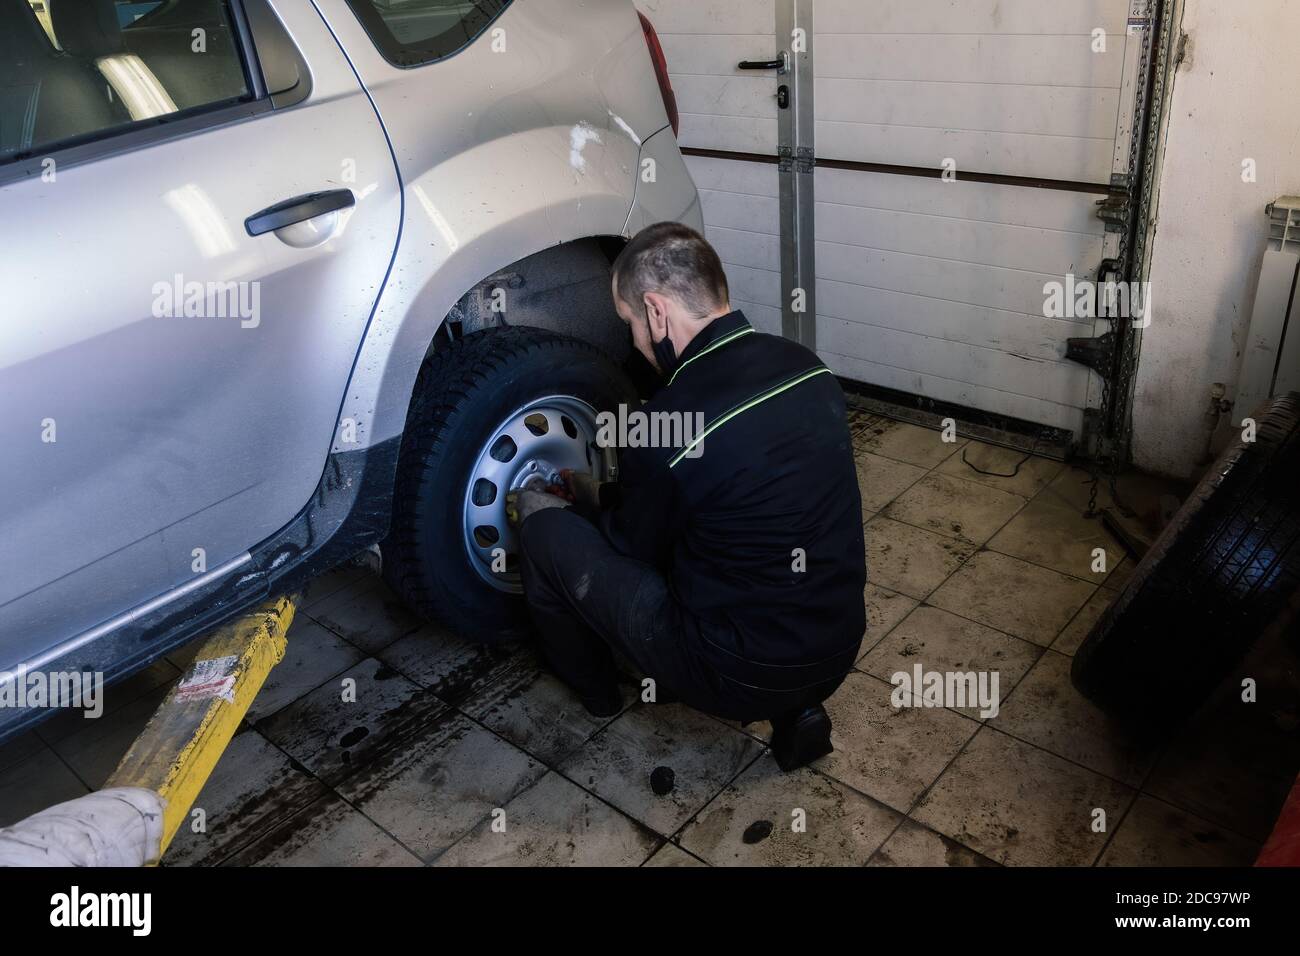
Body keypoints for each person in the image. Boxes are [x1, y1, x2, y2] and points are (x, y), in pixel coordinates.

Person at [507, 222, 866, 770]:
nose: (632, 341)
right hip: (837, 648)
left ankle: (599, 697)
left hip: (731, 669)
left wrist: (566, 503)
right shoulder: (808, 369)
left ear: (656, 312)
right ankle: (797, 709)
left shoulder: (668, 427)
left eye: (628, 322)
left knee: (541, 530)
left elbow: (630, 551)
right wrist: (595, 490)